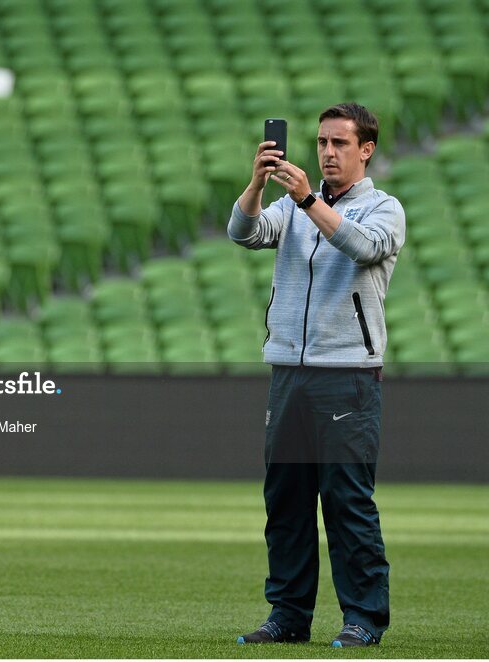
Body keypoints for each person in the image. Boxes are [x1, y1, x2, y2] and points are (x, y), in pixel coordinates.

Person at [227, 103, 405, 648]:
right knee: (287, 501)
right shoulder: (290, 204)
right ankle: (288, 616)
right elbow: (244, 232)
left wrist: (307, 201)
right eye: (323, 142)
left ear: (365, 149)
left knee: (348, 501)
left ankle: (364, 618)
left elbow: (360, 246)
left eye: (340, 144)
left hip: (347, 374)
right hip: (289, 372)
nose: (328, 152)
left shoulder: (384, 209)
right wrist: (256, 185)